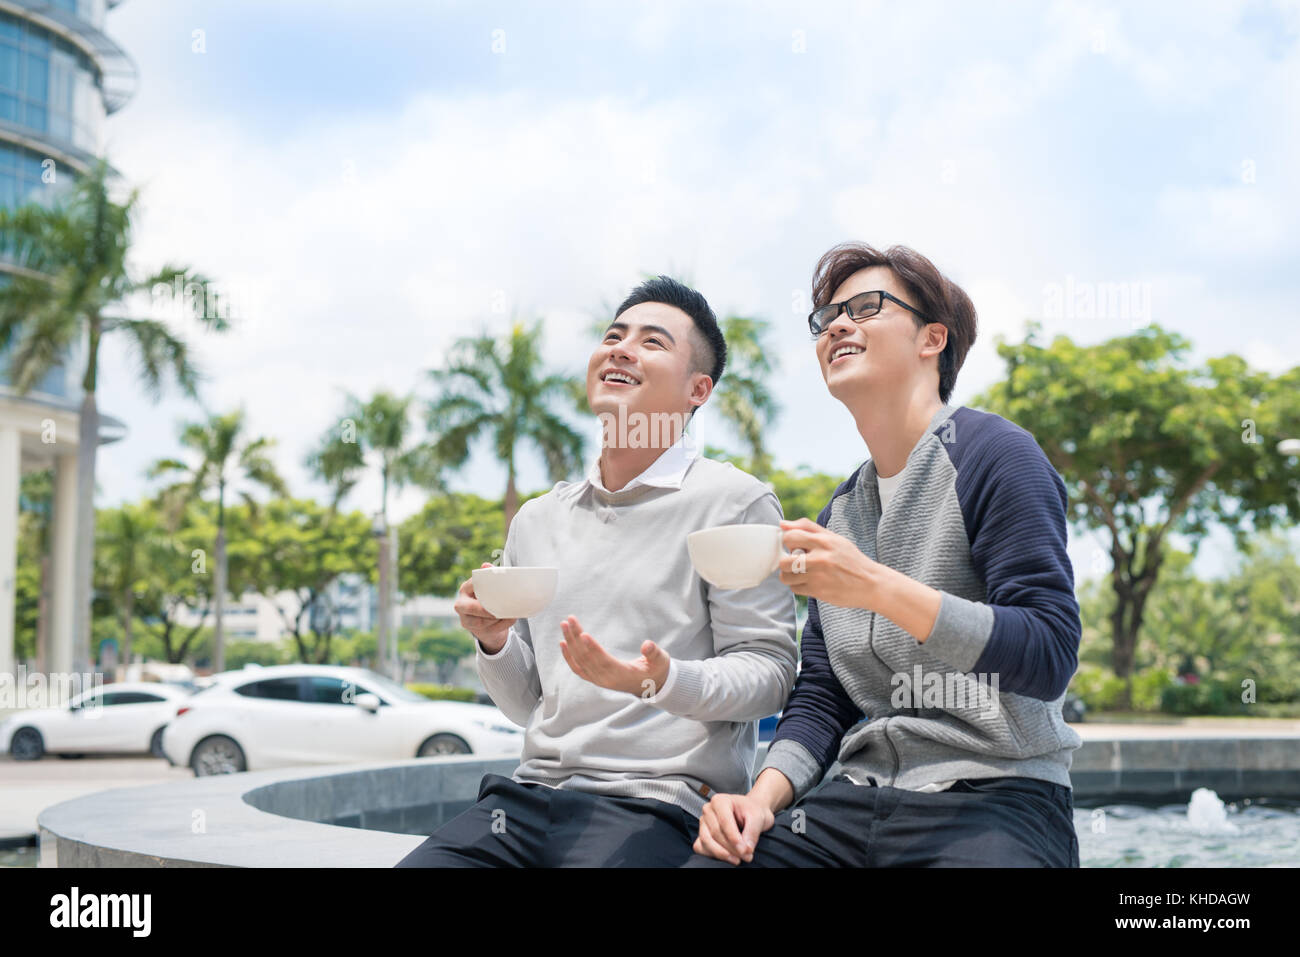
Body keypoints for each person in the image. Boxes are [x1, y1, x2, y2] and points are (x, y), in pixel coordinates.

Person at [684, 242, 1083, 868]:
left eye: (867, 307)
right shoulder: (841, 513)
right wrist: (761, 799)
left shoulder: (995, 455)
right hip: (850, 804)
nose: (838, 324)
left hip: (995, 797)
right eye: (826, 317)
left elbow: (1049, 652)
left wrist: (874, 586)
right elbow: (823, 696)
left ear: (932, 340)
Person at [395, 276, 797, 868]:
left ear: (698, 390)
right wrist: (494, 639)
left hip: (661, 806)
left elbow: (769, 674)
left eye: (652, 342)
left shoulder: (734, 502)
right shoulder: (538, 519)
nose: (622, 348)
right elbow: (530, 705)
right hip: (527, 800)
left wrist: (659, 681)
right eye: (614, 335)